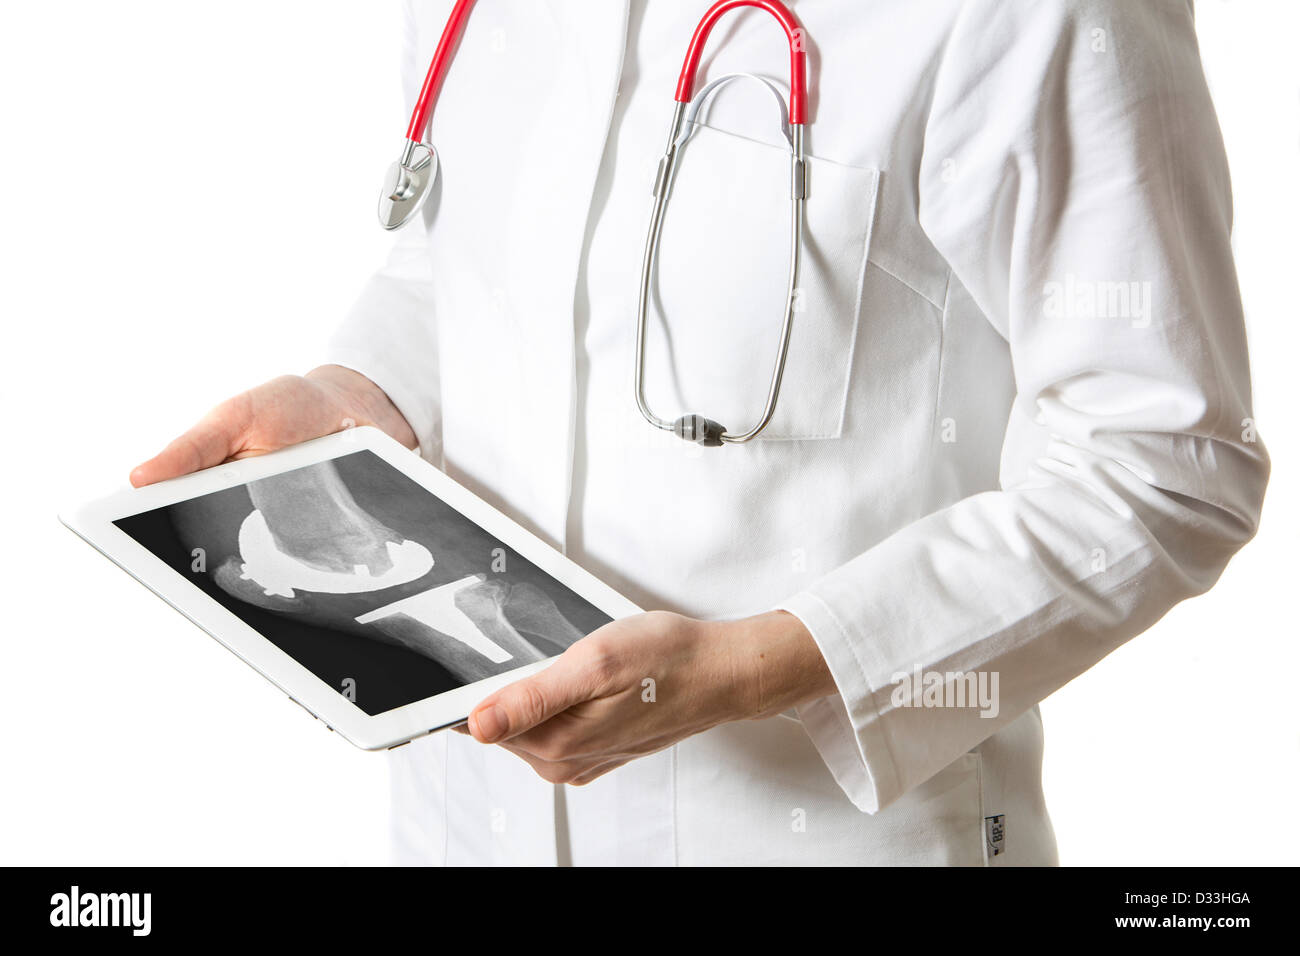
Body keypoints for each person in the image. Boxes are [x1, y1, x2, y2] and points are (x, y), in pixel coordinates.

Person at [131, 0, 1269, 865]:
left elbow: (1160, 461)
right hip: (462, 819)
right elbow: (466, 260)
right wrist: (360, 390)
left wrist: (767, 666)